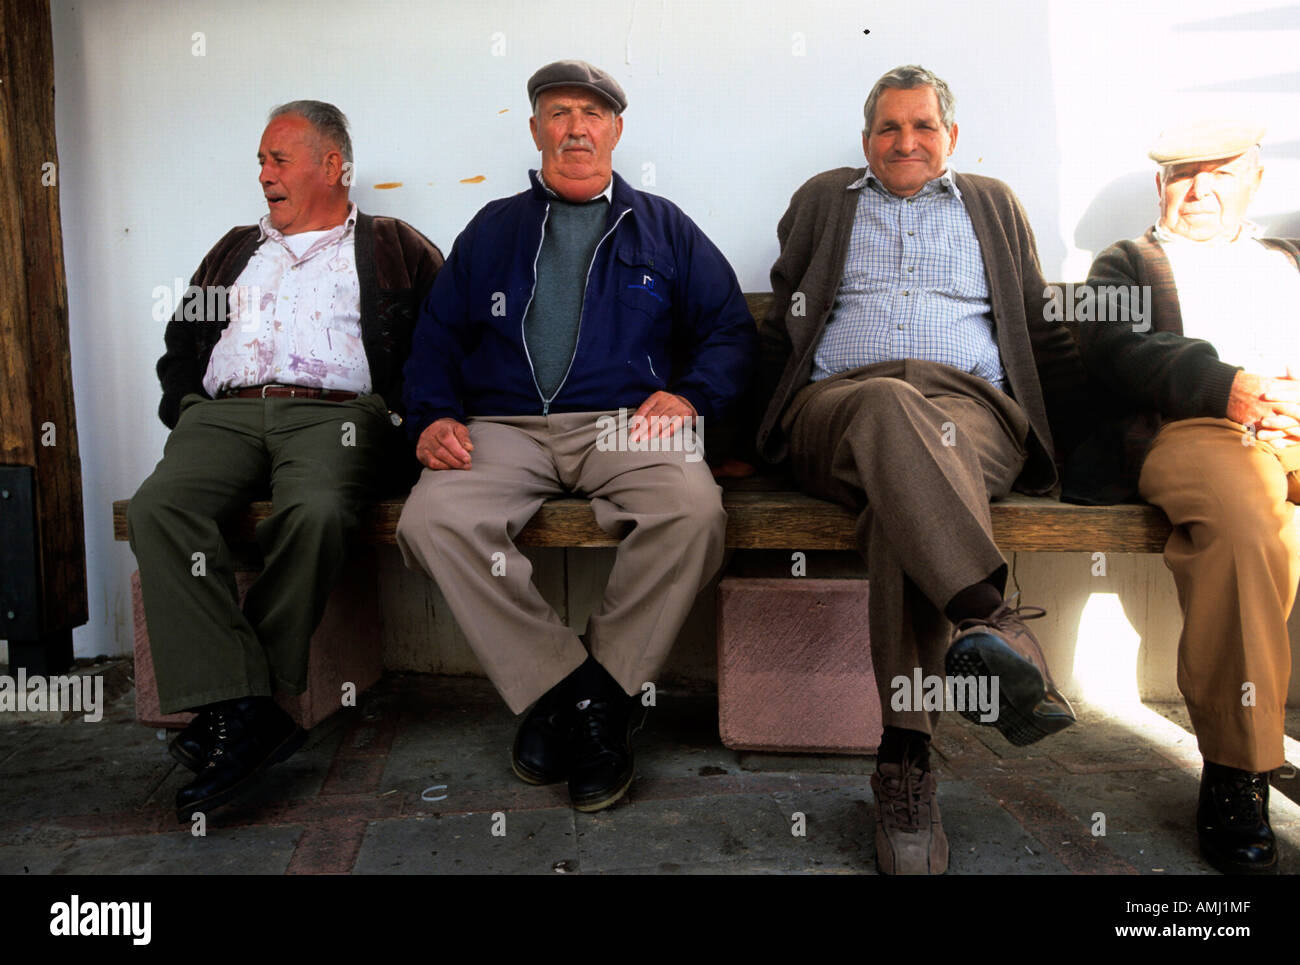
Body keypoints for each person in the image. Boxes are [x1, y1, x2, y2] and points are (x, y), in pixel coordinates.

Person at [397, 59, 756, 813]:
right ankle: (574, 692)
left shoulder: (662, 226)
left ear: (616, 130)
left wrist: (691, 395)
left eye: (592, 114)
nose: (576, 128)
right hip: (504, 426)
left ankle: (598, 693)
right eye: (558, 113)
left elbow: (729, 329)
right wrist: (432, 414)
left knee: (693, 512)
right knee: (431, 519)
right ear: (535, 130)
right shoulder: (492, 229)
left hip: (620, 426)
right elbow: (434, 338)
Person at [756, 65, 1086, 874]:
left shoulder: (993, 204)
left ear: (952, 136)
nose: (906, 142)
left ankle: (905, 765)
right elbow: (784, 317)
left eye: (923, 126)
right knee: (889, 413)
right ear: (866, 138)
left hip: (973, 412)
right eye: (888, 129)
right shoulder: (826, 199)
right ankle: (988, 615)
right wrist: (737, 432)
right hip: (841, 407)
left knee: (903, 491)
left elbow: (1043, 330)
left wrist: (1091, 449)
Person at [127, 100, 442, 822]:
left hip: (334, 413)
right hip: (226, 413)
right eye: (262, 161)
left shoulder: (394, 244)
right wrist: (184, 406)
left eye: (279, 159)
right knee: (158, 508)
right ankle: (252, 710)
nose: (264, 173)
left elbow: (442, 338)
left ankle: (236, 710)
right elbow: (183, 339)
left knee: (318, 510)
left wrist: (401, 417)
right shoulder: (238, 247)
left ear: (333, 165)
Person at [1071, 120, 1297, 874]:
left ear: (1255, 183)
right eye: (1182, 174)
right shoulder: (1129, 261)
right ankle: (1239, 772)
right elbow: (1118, 347)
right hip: (1201, 428)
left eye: (1221, 173)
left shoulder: (1285, 258)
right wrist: (1228, 386)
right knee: (1250, 528)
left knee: (1271, 532)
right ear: (1160, 186)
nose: (1199, 189)